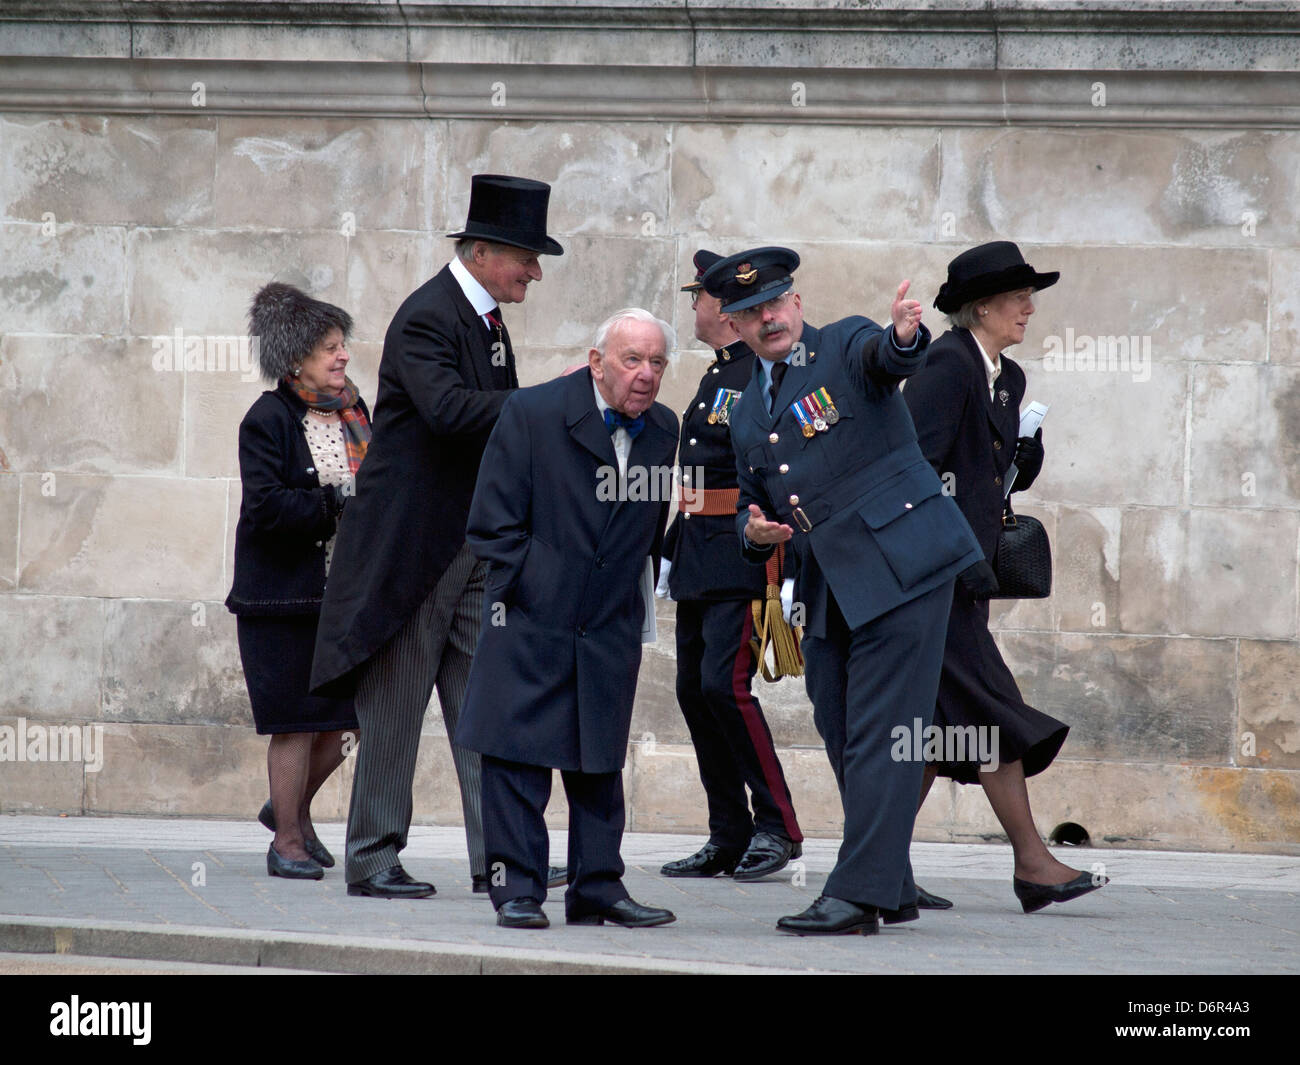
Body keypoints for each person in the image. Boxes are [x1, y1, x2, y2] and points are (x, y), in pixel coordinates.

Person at [707, 247, 985, 936]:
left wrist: (903, 336)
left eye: (775, 302)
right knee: (837, 720)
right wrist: (755, 531)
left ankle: (859, 894)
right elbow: (751, 504)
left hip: (902, 560)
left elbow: (888, 360)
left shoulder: (847, 344)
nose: (767, 318)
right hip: (830, 581)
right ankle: (892, 879)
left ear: (797, 304)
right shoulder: (746, 412)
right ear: (734, 325)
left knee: (883, 733)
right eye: (749, 312)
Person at [309, 174, 566, 899]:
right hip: (411, 555)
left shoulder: (482, 317)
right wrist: (555, 399)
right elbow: (453, 413)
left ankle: (506, 854)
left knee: (489, 708)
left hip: (474, 549)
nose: (535, 272)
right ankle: (372, 856)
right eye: (527, 256)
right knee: (392, 714)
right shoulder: (428, 315)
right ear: (482, 251)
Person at [455, 309, 680, 930]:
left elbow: (646, 529)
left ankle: (598, 888)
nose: (645, 374)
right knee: (517, 758)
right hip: (530, 617)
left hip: (608, 624)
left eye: (657, 362)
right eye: (632, 360)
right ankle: (518, 890)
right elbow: (492, 528)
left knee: (599, 763)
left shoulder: (665, 428)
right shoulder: (531, 414)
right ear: (596, 361)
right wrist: (546, 585)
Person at [901, 241, 1105, 914]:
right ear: (981, 306)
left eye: (1029, 296)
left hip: (970, 576)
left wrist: (1024, 456)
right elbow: (914, 465)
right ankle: (1032, 862)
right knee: (988, 711)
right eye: (1018, 297)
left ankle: (872, 865)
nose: (1029, 307)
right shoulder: (946, 364)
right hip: (937, 578)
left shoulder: (1004, 375)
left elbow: (991, 470)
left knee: (937, 732)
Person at [655, 249, 804, 882]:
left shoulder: (762, 373)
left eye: (698, 297)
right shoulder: (720, 373)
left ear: (722, 308)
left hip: (742, 556)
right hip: (698, 553)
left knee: (725, 687)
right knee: (694, 692)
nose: (693, 307)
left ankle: (778, 827)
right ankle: (729, 832)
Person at [227, 282, 369, 880]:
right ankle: (286, 838)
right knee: (292, 721)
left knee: (345, 721)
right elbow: (266, 508)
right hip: (279, 597)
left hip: (342, 596)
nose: (342, 357)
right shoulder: (266, 419)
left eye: (342, 345)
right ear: (294, 359)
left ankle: (290, 806)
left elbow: (383, 480)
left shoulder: (356, 415)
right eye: (329, 348)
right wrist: (336, 502)